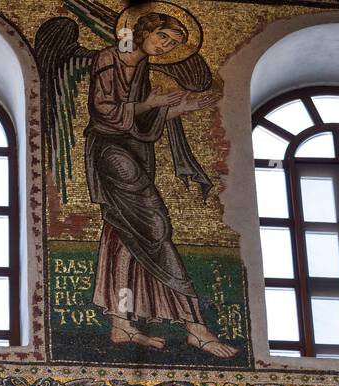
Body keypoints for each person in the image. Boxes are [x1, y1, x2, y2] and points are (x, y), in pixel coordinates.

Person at [84, 11, 236, 357]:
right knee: (154, 225)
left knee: (124, 231)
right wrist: (151, 103)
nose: (165, 45)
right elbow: (103, 110)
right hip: (111, 153)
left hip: (133, 151)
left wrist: (178, 109)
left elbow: (142, 121)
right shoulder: (110, 57)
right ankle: (195, 325)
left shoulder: (142, 69)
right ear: (146, 30)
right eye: (164, 37)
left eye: (173, 43)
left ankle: (121, 322)